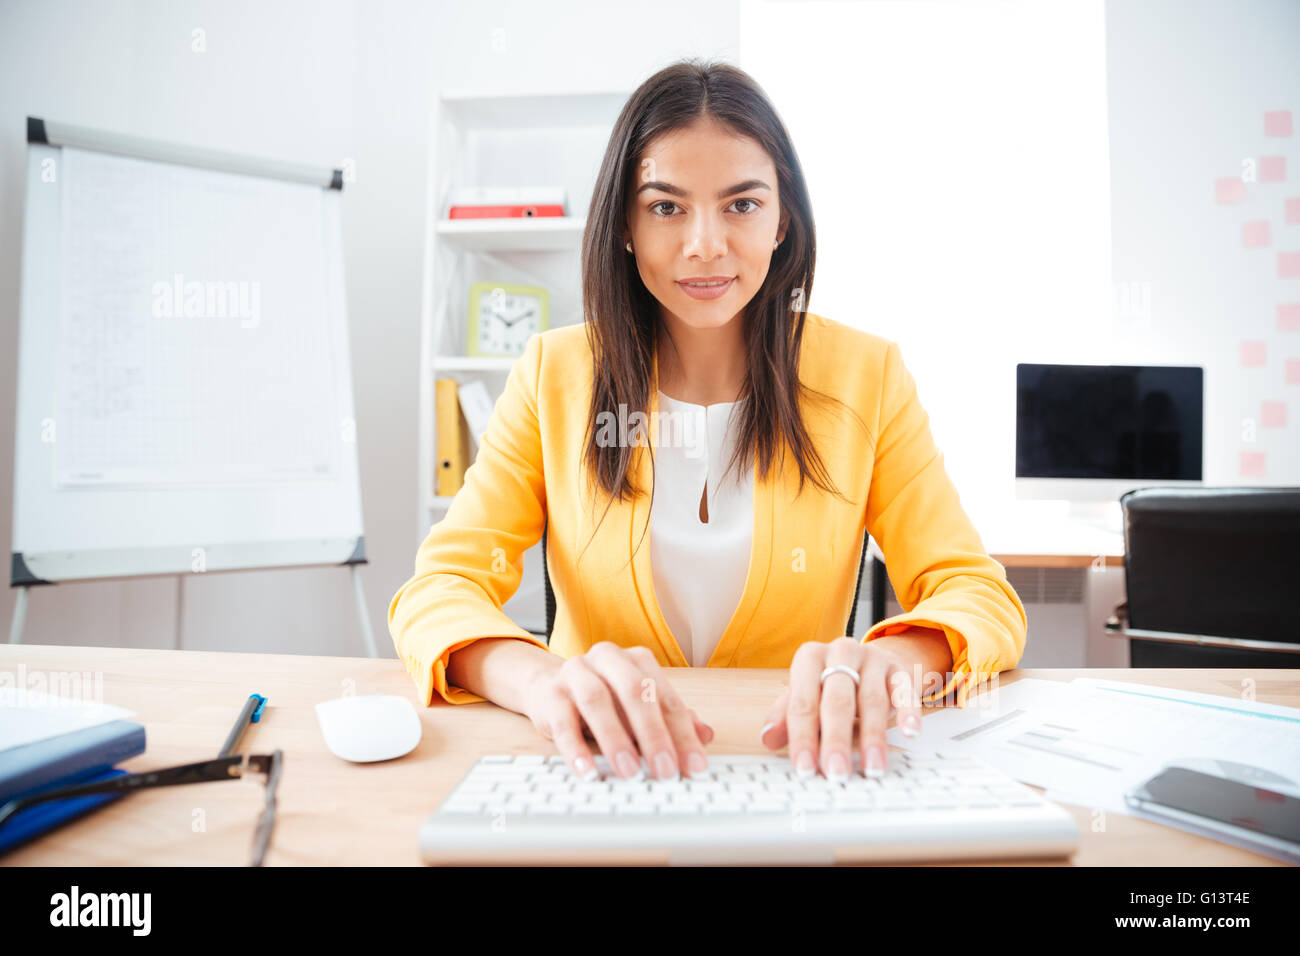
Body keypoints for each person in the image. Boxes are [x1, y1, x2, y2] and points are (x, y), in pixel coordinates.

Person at [389, 58, 1027, 785]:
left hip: (798, 770)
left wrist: (887, 665)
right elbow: (437, 591)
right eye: (665, 207)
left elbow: (978, 593)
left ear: (784, 219)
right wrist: (540, 681)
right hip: (604, 769)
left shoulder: (866, 376)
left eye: (741, 205)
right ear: (624, 225)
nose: (704, 245)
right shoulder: (554, 374)